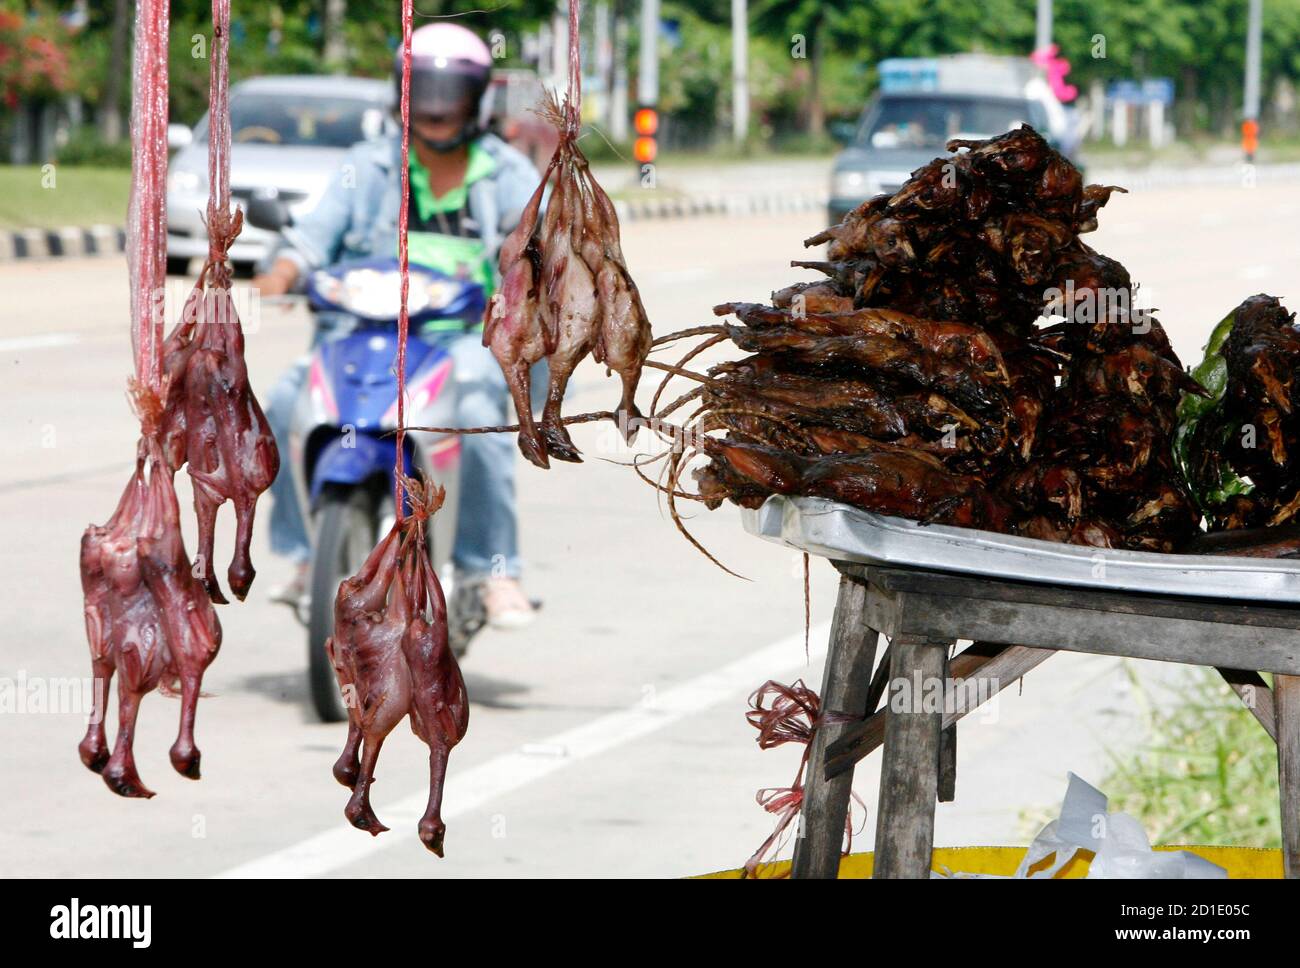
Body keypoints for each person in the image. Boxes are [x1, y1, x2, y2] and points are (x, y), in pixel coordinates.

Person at [254, 23, 543, 630]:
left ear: (478, 100)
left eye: (452, 94)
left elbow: (545, 255)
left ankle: (493, 569)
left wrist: (528, 294)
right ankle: (307, 558)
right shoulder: (368, 166)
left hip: (461, 341)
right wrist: (278, 277)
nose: (437, 111)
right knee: (284, 400)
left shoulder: (510, 174)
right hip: (359, 340)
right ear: (401, 96)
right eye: (424, 93)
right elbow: (306, 242)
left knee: (480, 403)